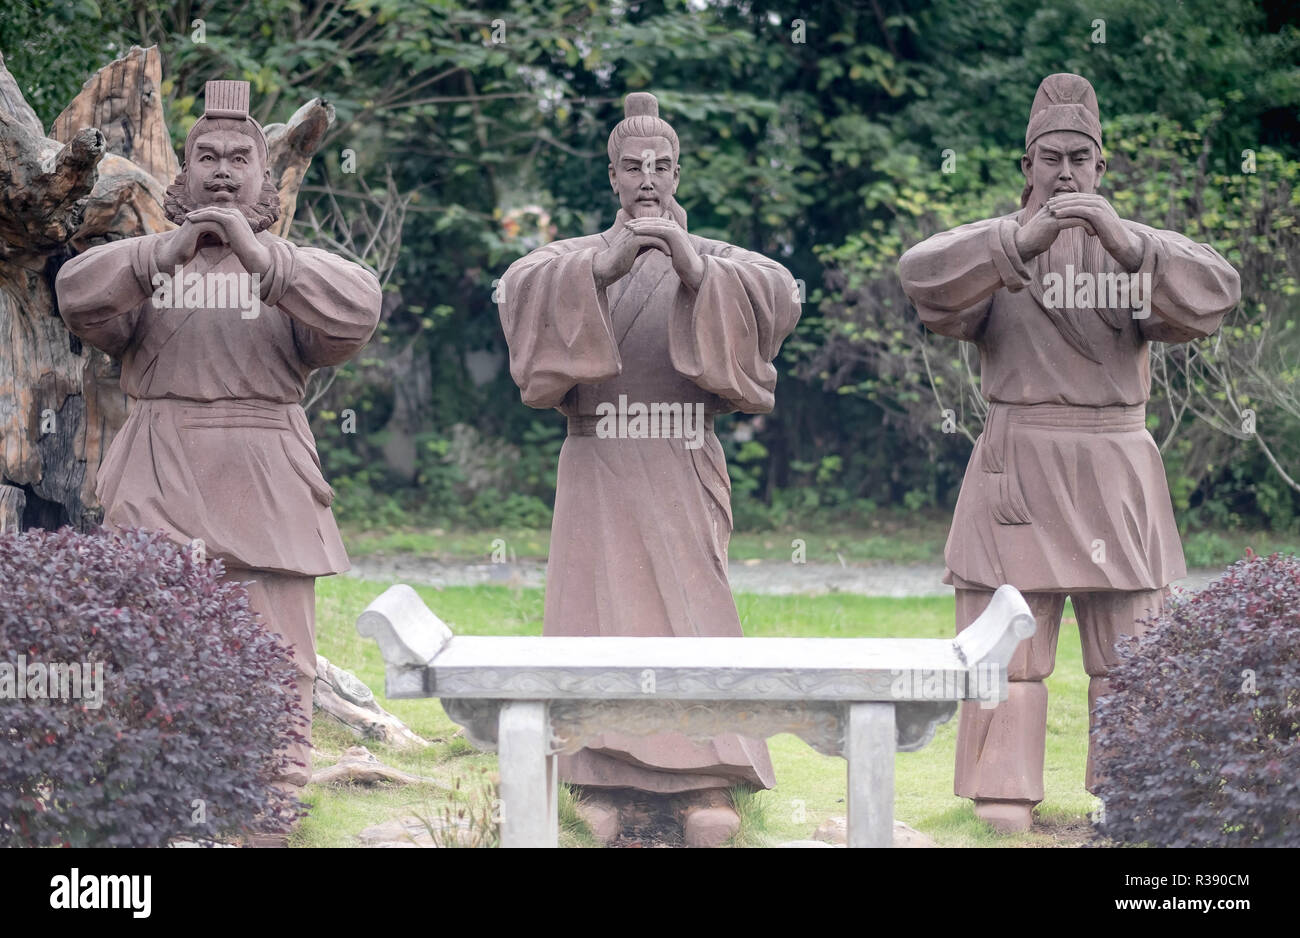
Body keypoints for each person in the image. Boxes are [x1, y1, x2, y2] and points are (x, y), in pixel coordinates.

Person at [898, 73, 1241, 833]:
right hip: (1017, 461)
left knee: (1133, 655)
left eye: (1079, 158)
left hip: (1114, 464)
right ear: (1027, 166)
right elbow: (921, 278)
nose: (1064, 172)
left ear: (1102, 167)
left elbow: (1217, 292)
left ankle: (1136, 794)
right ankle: (1001, 796)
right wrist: (1014, 243)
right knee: (1008, 650)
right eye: (1049, 157)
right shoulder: (996, 252)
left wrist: (1131, 242)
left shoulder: (1137, 256)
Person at [55, 80, 382, 844]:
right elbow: (76, 296)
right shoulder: (144, 266)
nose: (225, 171)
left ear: (269, 181)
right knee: (151, 637)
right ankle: (160, 781)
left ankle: (273, 784)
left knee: (272, 644)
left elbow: (357, 310)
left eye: (242, 158)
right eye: (208, 156)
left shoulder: (290, 273)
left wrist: (261, 256)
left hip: (265, 469)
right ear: (183, 173)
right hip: (157, 469)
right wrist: (165, 250)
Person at [497, 92, 801, 845]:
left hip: (681, 454)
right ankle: (596, 771)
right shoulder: (567, 261)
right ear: (610, 176)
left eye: (662, 165)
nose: (648, 179)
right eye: (632, 166)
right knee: (593, 612)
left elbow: (779, 296)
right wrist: (599, 270)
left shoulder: (727, 263)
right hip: (598, 458)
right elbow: (519, 291)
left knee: (693, 611)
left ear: (678, 171)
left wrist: (695, 268)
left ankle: (705, 776)